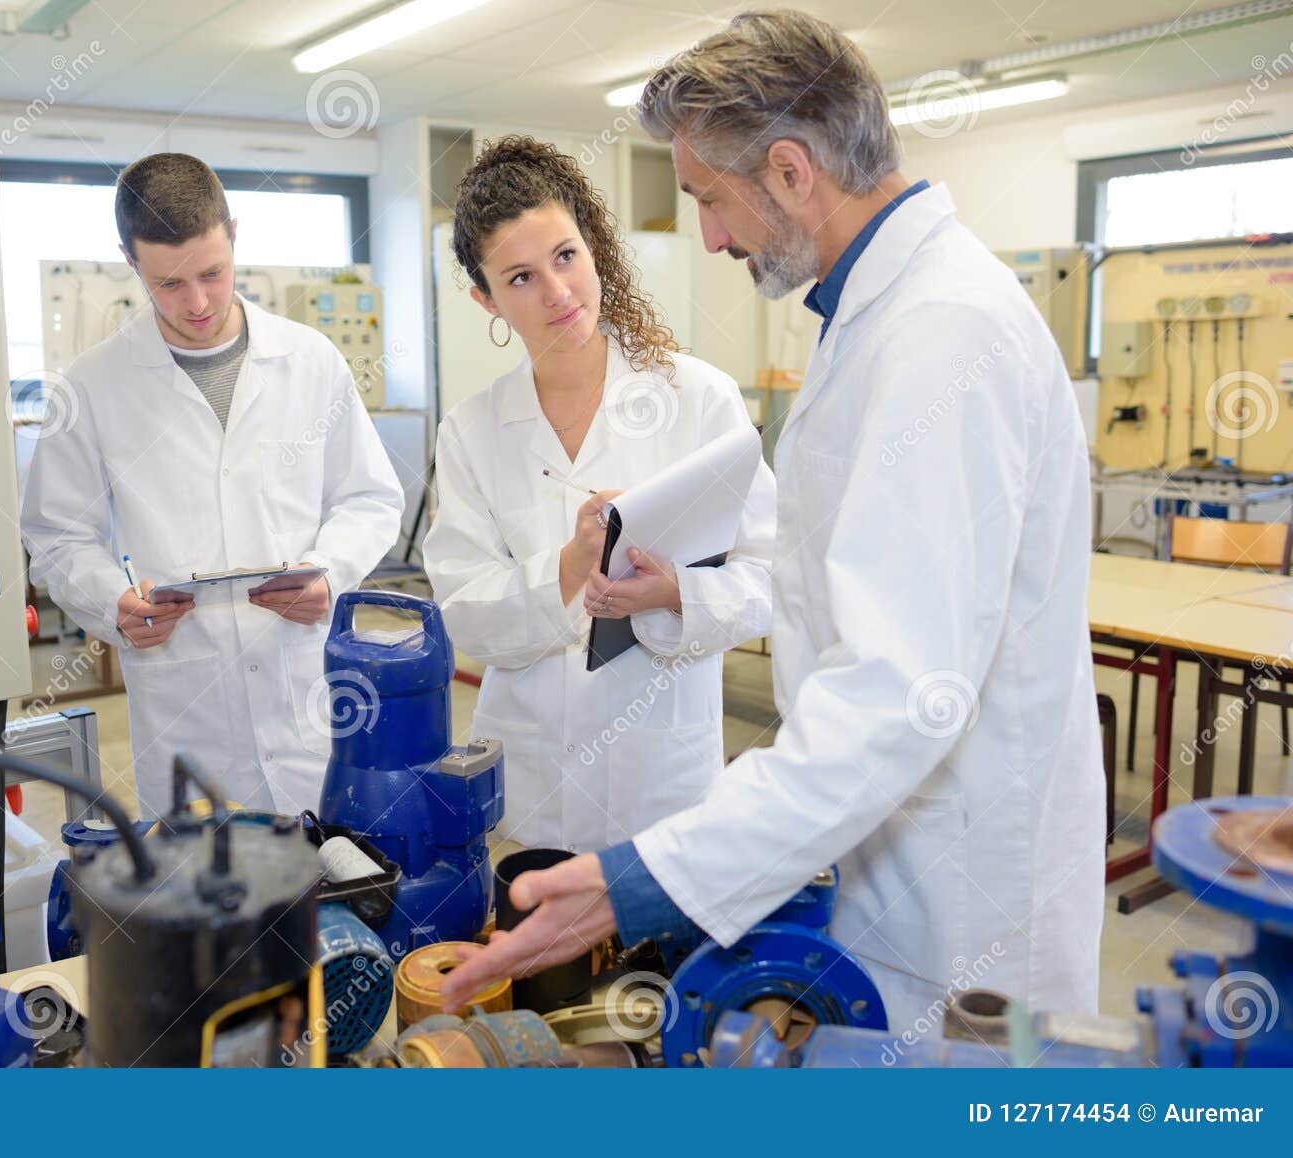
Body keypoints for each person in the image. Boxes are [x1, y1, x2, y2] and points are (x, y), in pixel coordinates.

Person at [442, 10, 1105, 1035]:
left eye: (708, 196)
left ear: (791, 172)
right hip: (886, 842)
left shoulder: (938, 335)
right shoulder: (879, 318)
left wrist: (651, 875)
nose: (706, 232)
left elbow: (895, 690)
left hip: (962, 899)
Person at [20, 153, 403, 818]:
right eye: (168, 284)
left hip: (302, 695)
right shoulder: (92, 386)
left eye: (212, 273)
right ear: (129, 260)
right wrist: (113, 601)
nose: (196, 302)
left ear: (234, 233)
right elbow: (56, 538)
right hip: (184, 709)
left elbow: (369, 498)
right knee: (204, 904)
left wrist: (328, 573)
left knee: (323, 891)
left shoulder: (310, 362)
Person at [422, 135, 775, 854]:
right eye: (519, 278)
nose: (556, 292)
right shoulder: (471, 432)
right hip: (533, 785)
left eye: (565, 257)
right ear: (483, 298)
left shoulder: (697, 398)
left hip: (664, 775)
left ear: (593, 249)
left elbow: (770, 576)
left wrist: (673, 593)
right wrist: (571, 566)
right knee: (545, 960)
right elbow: (464, 617)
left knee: (658, 961)